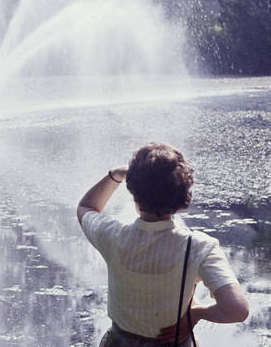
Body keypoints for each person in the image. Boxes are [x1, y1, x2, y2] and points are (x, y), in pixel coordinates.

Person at [77, 142, 249, 346]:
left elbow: (86, 207)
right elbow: (237, 310)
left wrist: (115, 175)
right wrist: (196, 314)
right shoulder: (199, 247)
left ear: (133, 193)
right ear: (184, 195)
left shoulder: (112, 236)